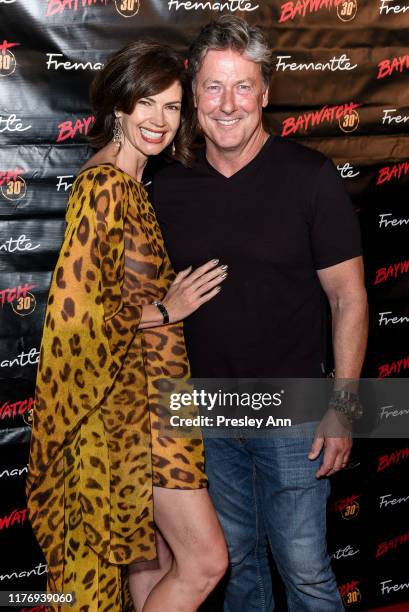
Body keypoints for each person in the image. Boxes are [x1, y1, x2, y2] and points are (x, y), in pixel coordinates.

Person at [153, 16, 368, 612]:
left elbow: (349, 298)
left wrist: (345, 409)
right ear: (193, 93)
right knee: (237, 566)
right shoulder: (167, 188)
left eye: (242, 87)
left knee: (305, 572)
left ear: (266, 94)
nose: (227, 105)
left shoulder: (310, 177)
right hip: (205, 410)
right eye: (213, 88)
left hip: (293, 412)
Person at [25, 41, 228, 612]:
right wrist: (168, 309)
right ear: (119, 108)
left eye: (172, 106)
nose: (161, 121)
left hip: (153, 399)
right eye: (147, 104)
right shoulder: (107, 188)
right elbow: (77, 318)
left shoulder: (133, 183)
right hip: (136, 415)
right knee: (207, 561)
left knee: (153, 565)